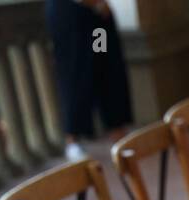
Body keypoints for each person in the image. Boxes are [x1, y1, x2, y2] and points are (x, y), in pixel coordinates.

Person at [45, 0, 134, 161]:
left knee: (106, 69)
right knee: (75, 77)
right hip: (72, 16)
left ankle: (117, 131)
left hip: (96, 20)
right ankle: (72, 140)